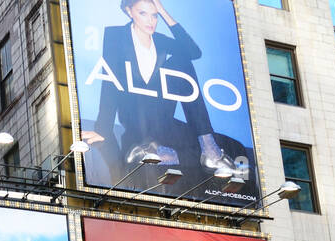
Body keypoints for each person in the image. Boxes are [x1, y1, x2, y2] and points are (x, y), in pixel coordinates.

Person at [82, 0, 242, 185]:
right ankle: (177, 153)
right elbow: (109, 77)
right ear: (129, 11)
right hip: (135, 115)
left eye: (154, 15)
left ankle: (202, 149)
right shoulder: (115, 35)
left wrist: (164, 12)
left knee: (183, 62)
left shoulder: (160, 40)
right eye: (143, 13)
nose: (150, 20)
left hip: (161, 117)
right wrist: (103, 128)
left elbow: (193, 52)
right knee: (211, 146)